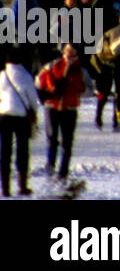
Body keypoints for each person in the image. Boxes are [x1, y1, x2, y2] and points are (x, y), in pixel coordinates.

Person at [36, 44, 86, 182]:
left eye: (73, 49)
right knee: (52, 139)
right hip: (52, 106)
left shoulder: (79, 68)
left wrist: (75, 83)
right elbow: (40, 81)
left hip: (69, 108)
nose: (70, 52)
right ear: (63, 50)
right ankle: (50, 166)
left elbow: (85, 89)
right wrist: (50, 89)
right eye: (68, 49)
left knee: (67, 141)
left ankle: (63, 171)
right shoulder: (53, 65)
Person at [0, 45, 40, 196]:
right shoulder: (25, 76)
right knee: (22, 152)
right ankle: (22, 186)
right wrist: (34, 113)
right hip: (21, 117)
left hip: (4, 116)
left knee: (5, 153)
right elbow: (33, 98)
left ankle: (5, 188)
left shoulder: (2, 75)